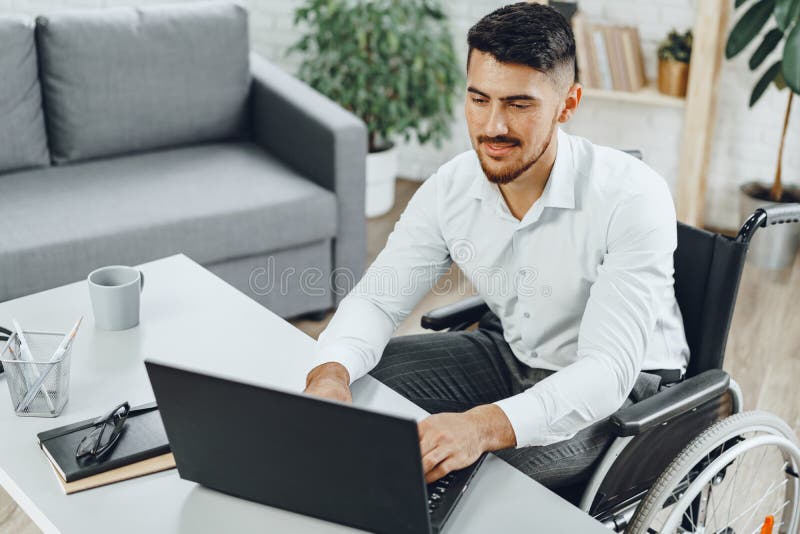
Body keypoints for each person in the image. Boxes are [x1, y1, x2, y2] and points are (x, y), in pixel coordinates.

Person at [304, 2, 689, 492]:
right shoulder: (450, 189)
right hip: (511, 353)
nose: (492, 127)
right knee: (360, 387)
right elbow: (379, 300)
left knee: (452, 480)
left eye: (519, 104)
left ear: (568, 104)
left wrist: (479, 426)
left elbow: (607, 372)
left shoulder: (632, 196)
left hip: (621, 394)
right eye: (479, 99)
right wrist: (331, 373)